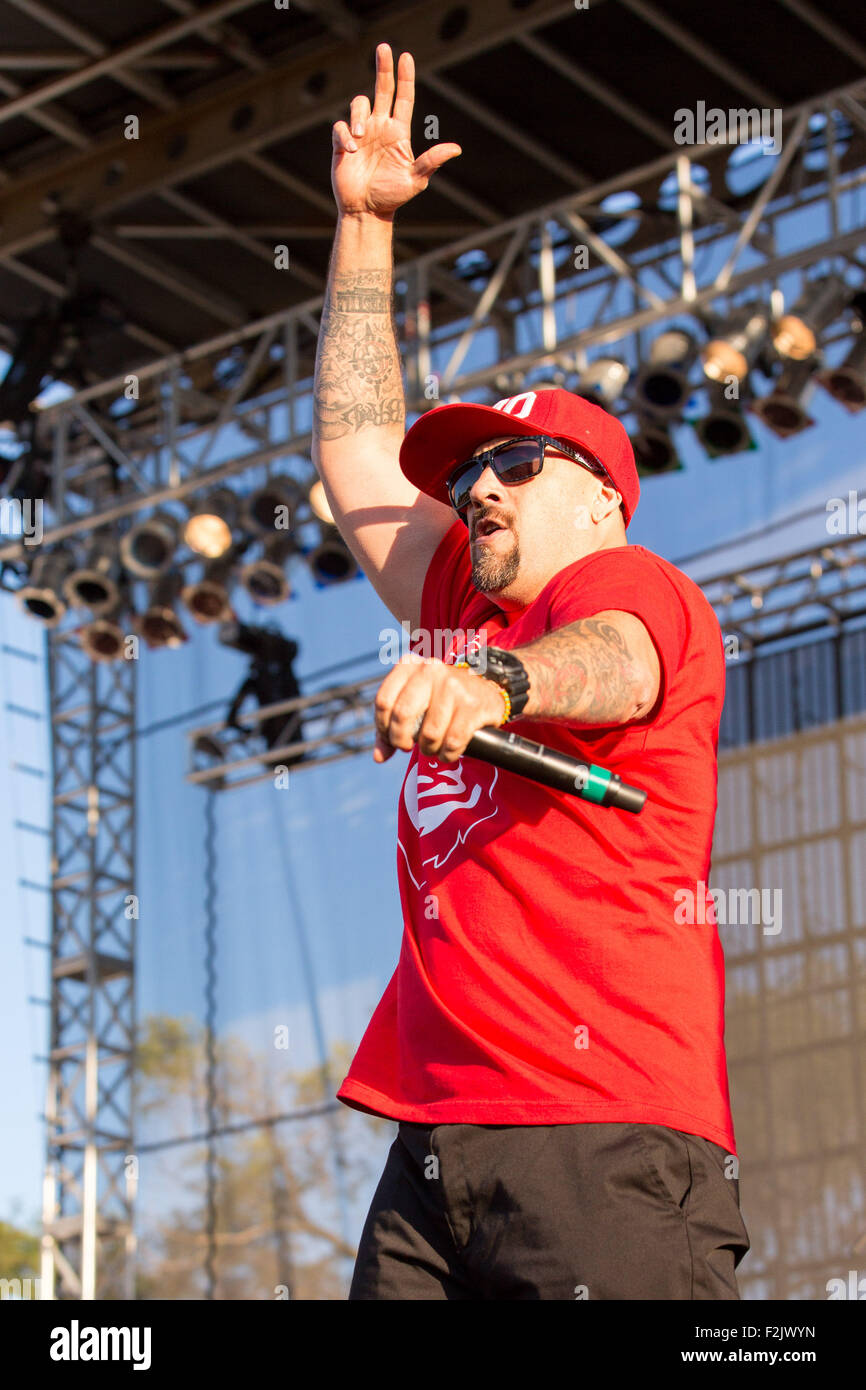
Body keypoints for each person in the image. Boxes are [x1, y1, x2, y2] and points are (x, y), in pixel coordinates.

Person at [312, 42, 749, 1301]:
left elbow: (609, 666)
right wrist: (359, 235)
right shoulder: (456, 596)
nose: (474, 489)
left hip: (600, 1124)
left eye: (512, 467)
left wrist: (491, 688)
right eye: (464, 477)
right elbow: (354, 451)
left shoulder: (629, 586)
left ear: (602, 499)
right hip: (437, 1140)